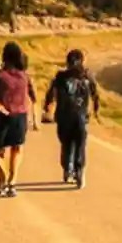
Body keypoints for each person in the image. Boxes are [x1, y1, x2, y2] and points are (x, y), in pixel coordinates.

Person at [42, 49, 101, 189]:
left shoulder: (60, 76)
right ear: (82, 61)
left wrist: (47, 108)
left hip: (63, 117)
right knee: (80, 144)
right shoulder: (87, 76)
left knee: (66, 143)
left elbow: (50, 95)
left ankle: (67, 168)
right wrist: (96, 111)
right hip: (81, 117)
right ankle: (79, 171)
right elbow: (96, 95)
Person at [0, 42, 34, 197]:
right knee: (17, 149)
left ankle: (3, 176)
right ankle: (12, 181)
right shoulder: (25, 75)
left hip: (2, 116)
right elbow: (32, 96)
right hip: (20, 115)